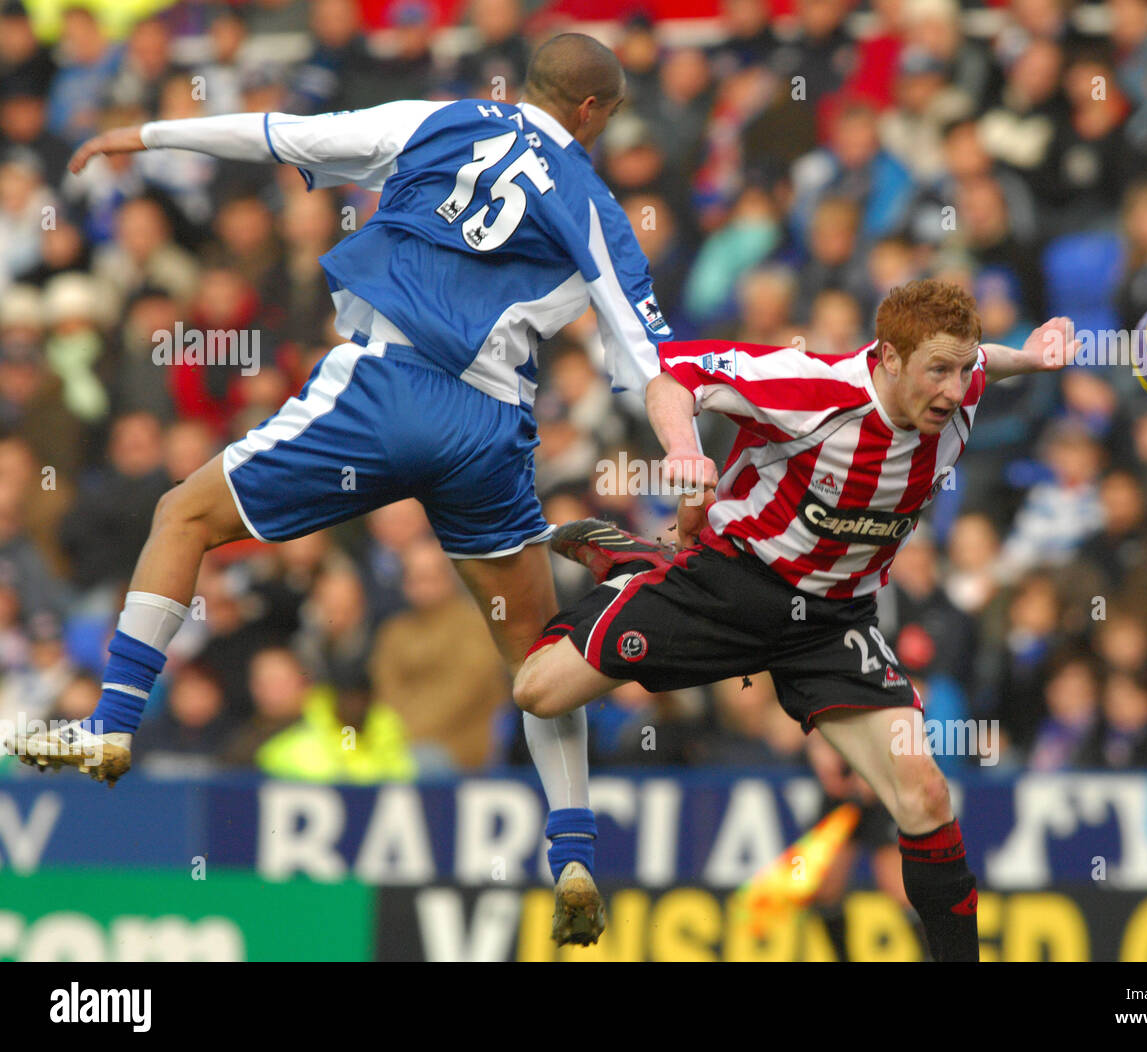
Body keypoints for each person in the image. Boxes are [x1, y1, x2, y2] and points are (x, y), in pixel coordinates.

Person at [13, 33, 712, 948]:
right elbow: (653, 360)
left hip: (383, 388)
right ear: (595, 112)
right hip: (486, 431)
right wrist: (685, 459)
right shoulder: (595, 205)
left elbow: (284, 135)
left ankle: (109, 726)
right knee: (540, 657)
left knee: (181, 513)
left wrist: (145, 134)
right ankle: (573, 851)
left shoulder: (439, 119)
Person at [513, 279, 1080, 961]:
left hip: (834, 621)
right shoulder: (813, 389)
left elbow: (984, 360)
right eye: (939, 371)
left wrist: (1034, 355)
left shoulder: (957, 386)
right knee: (536, 690)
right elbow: (673, 375)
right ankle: (640, 565)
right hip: (730, 584)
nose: (956, 391)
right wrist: (685, 449)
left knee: (926, 795)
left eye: (964, 371)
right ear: (888, 358)